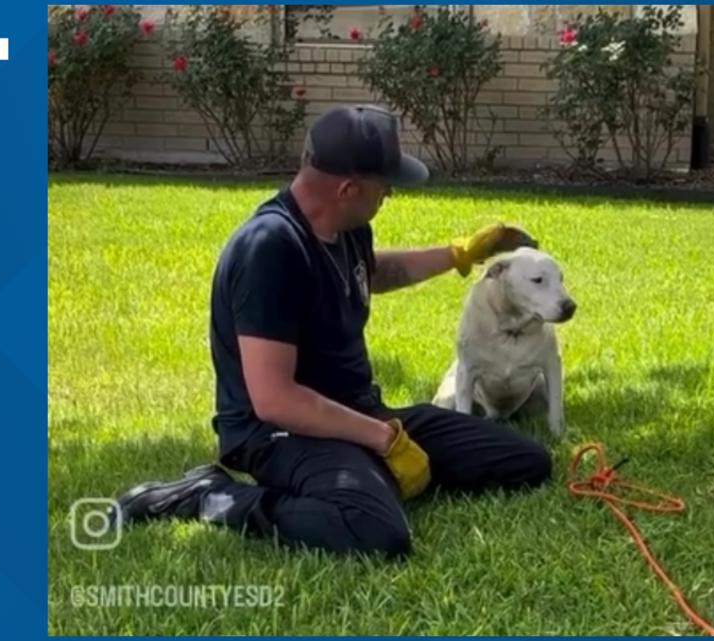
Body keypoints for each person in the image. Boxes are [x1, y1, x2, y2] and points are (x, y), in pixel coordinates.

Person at [112, 105, 552, 557]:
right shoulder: (270, 250)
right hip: (280, 433)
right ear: (348, 189)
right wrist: (384, 440)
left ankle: (368, 473)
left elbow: (373, 272)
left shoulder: (347, 229)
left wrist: (460, 253)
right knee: (375, 531)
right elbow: (275, 400)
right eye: (385, 186)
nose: (389, 195)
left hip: (357, 410)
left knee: (525, 462)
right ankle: (211, 494)